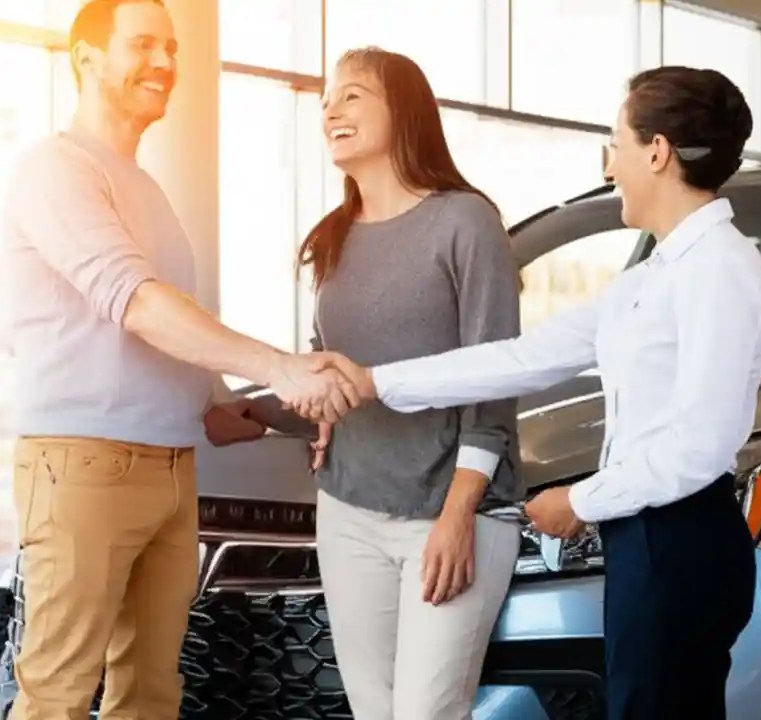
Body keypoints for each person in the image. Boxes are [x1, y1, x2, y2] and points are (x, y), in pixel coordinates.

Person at [304, 66, 761, 720]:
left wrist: (580, 501)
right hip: (648, 537)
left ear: (657, 152)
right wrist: (373, 381)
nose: (609, 168)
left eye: (616, 146)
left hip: (681, 536)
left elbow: (698, 445)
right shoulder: (653, 277)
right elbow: (523, 359)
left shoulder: (720, 267)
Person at [0, 1, 358, 718]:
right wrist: (280, 364)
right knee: (58, 695)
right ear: (87, 59)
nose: (164, 63)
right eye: (143, 45)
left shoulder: (143, 185)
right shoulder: (56, 169)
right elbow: (136, 302)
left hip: (169, 467)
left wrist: (256, 402)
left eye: (171, 48)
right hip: (83, 465)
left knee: (152, 692)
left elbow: (176, 351)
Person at [299, 47, 523, 720]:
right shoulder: (333, 236)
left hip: (452, 511)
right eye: (327, 101)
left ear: (404, 110)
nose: (332, 110)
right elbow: (328, 361)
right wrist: (285, 410)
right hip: (348, 510)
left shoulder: (465, 221)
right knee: (374, 711)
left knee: (428, 713)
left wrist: (458, 516)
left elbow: (494, 379)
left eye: (352, 95)